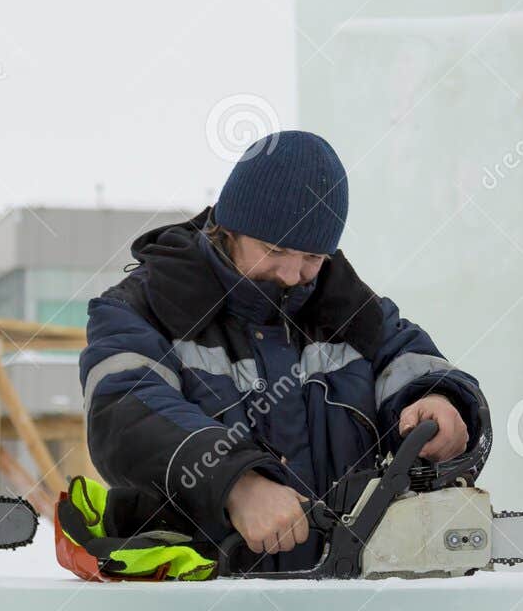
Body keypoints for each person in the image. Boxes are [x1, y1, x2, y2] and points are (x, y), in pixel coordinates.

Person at [76, 130, 488, 573]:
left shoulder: (354, 311)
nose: (293, 274)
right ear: (230, 229)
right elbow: (123, 412)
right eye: (275, 250)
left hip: (344, 603)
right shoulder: (139, 308)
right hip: (193, 605)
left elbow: (411, 361)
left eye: (313, 257)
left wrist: (438, 400)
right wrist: (236, 483)